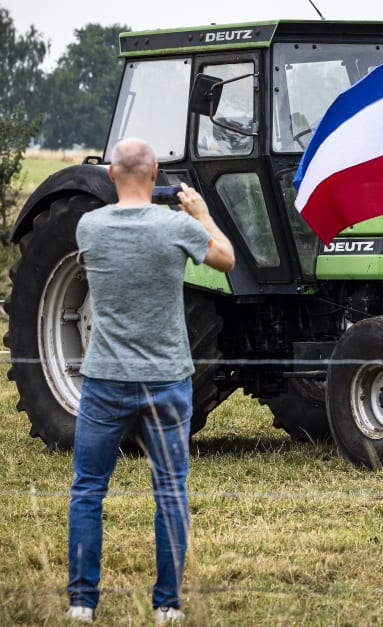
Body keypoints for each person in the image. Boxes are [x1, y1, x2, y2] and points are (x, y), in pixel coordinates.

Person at [65, 138, 235, 624]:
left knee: (89, 489)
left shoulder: (88, 227)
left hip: (104, 379)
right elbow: (226, 259)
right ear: (158, 173)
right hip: (165, 380)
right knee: (169, 490)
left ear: (112, 175)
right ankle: (166, 604)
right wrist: (200, 212)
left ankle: (82, 601)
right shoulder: (177, 226)